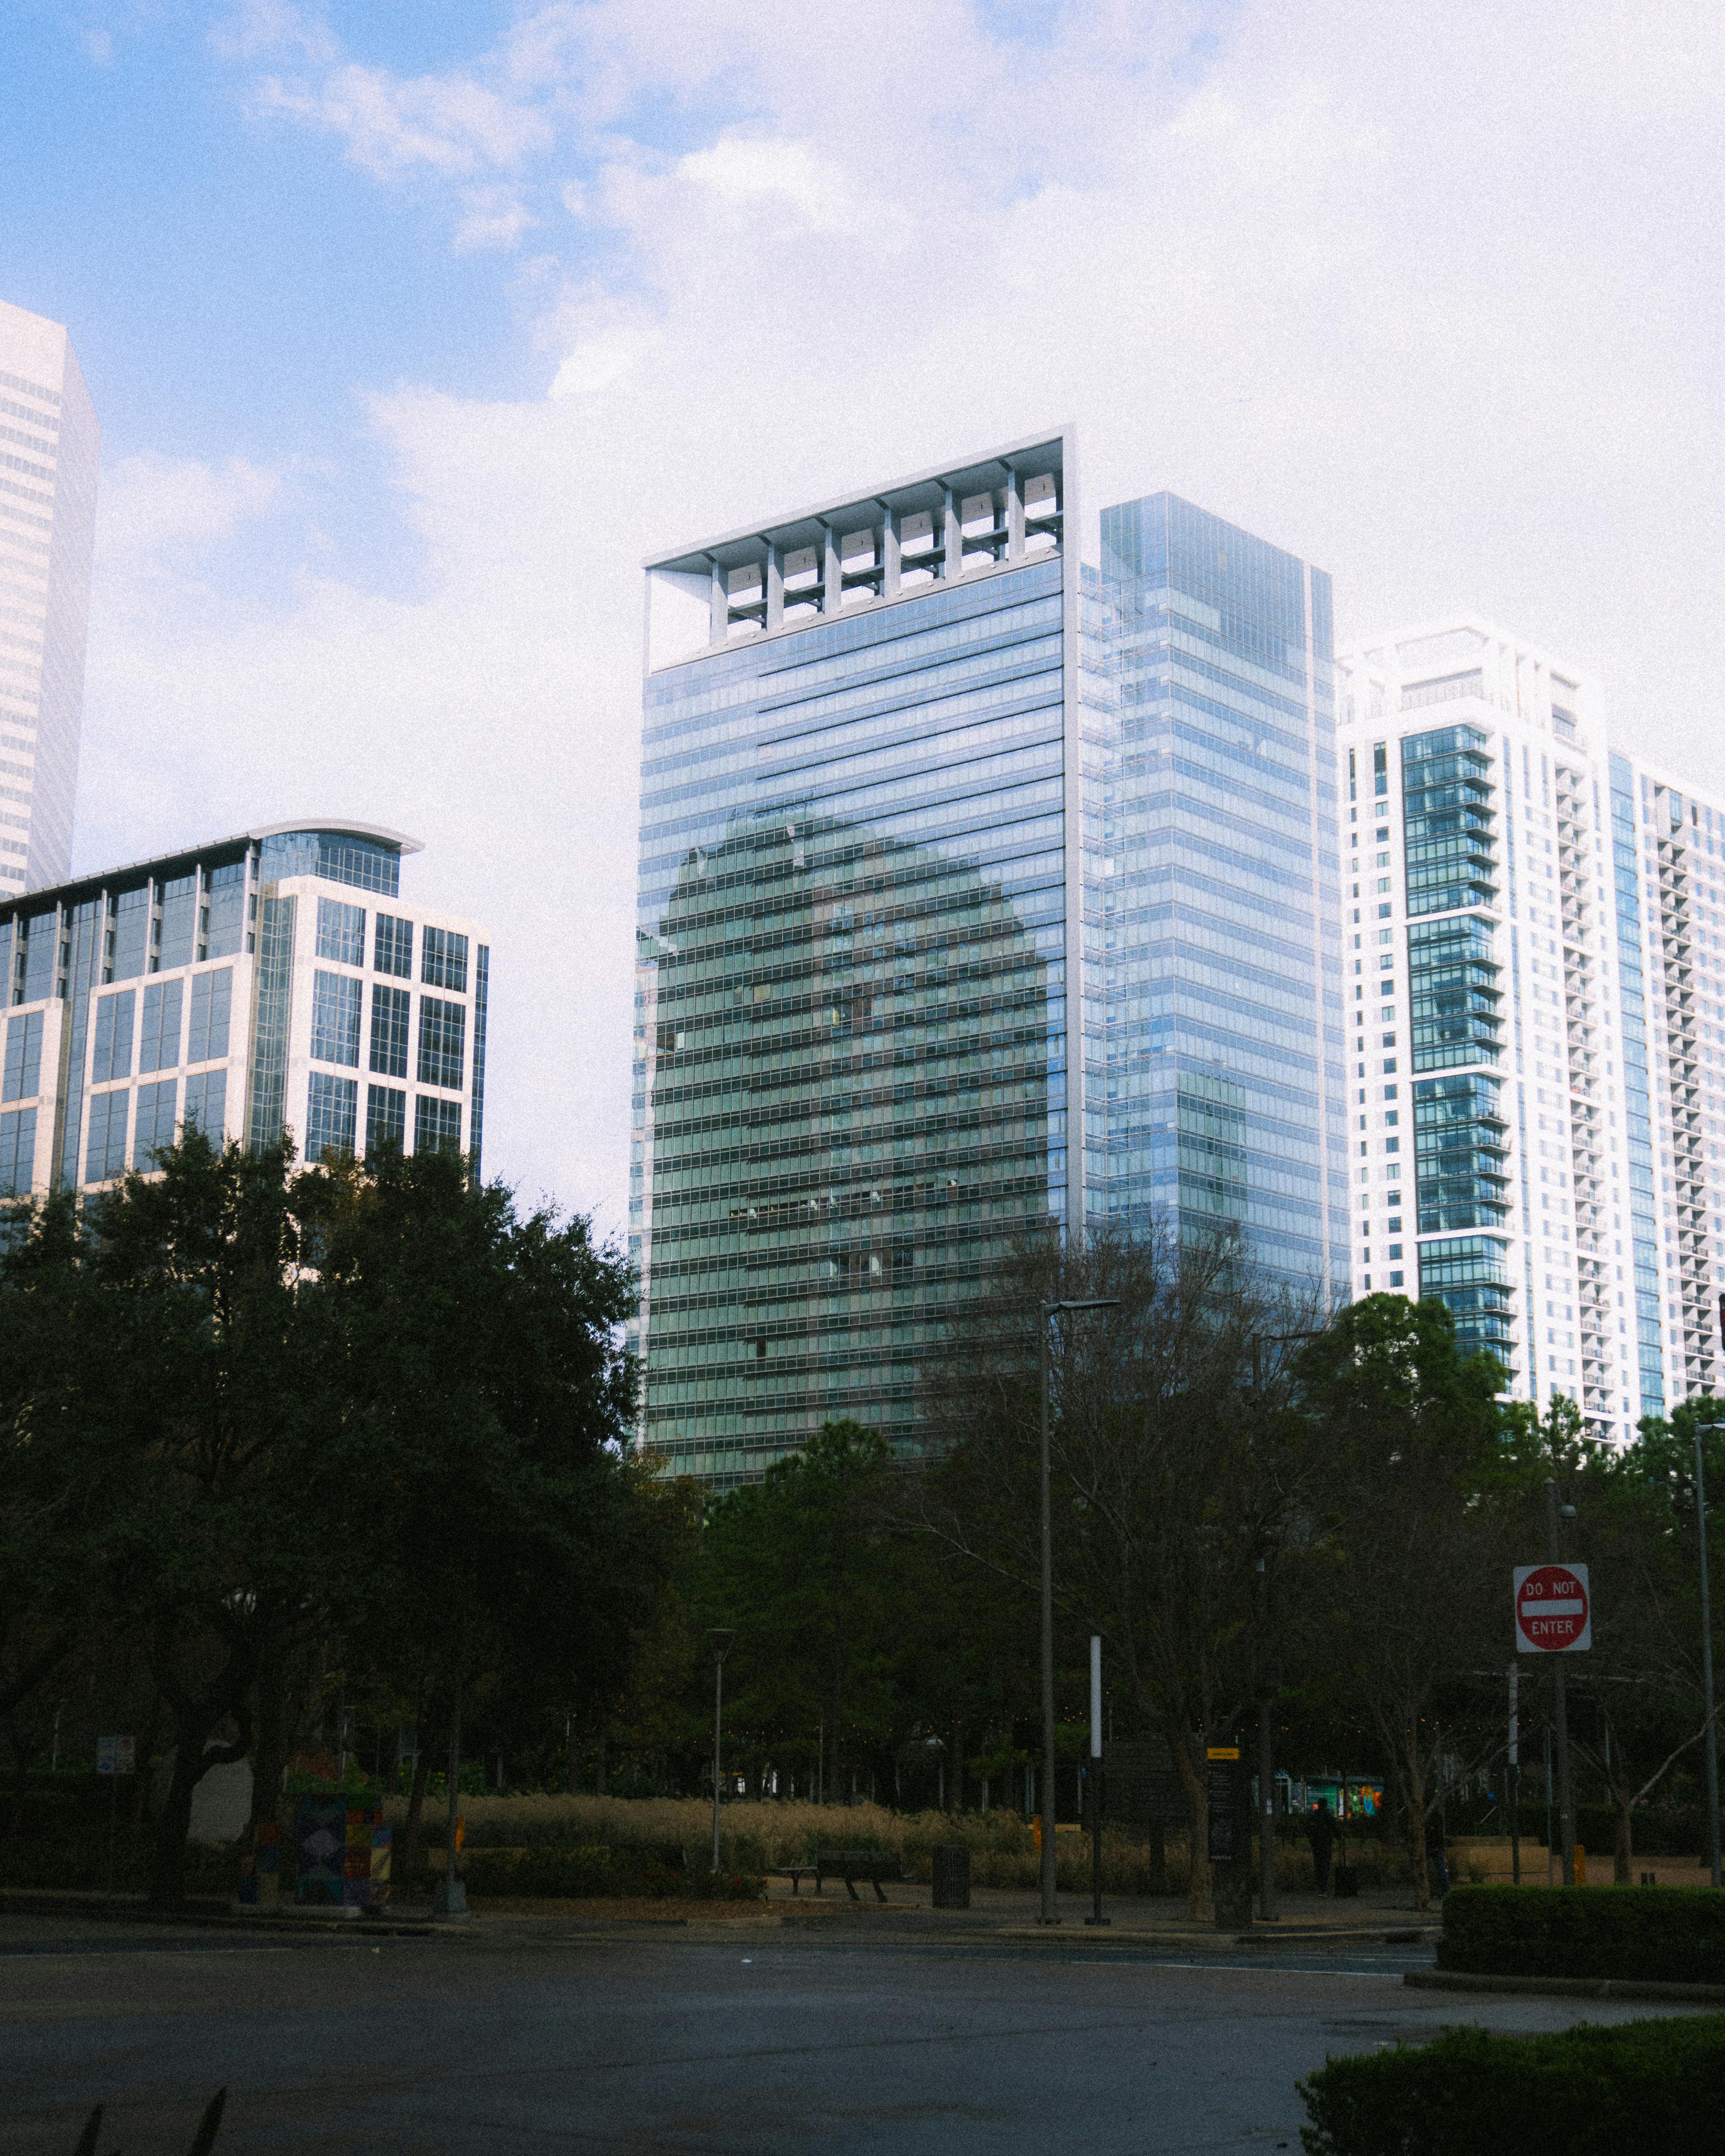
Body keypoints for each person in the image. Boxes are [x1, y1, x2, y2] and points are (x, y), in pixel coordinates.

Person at [1305, 1799, 1336, 1894]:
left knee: (1318, 1864)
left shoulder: (1314, 1816)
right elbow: (1334, 1828)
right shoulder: (1328, 1816)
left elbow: (1308, 1828)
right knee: (1325, 1865)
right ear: (1326, 1805)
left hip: (1316, 1844)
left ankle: (1320, 1886)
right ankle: (1323, 1887)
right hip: (1326, 1843)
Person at [1424, 1813, 1449, 1899]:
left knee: (1426, 1867)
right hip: (1435, 1846)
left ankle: (1436, 1891)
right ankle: (1445, 1890)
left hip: (1430, 1846)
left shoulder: (1429, 1822)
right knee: (1442, 1869)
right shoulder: (1438, 1823)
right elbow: (1439, 1835)